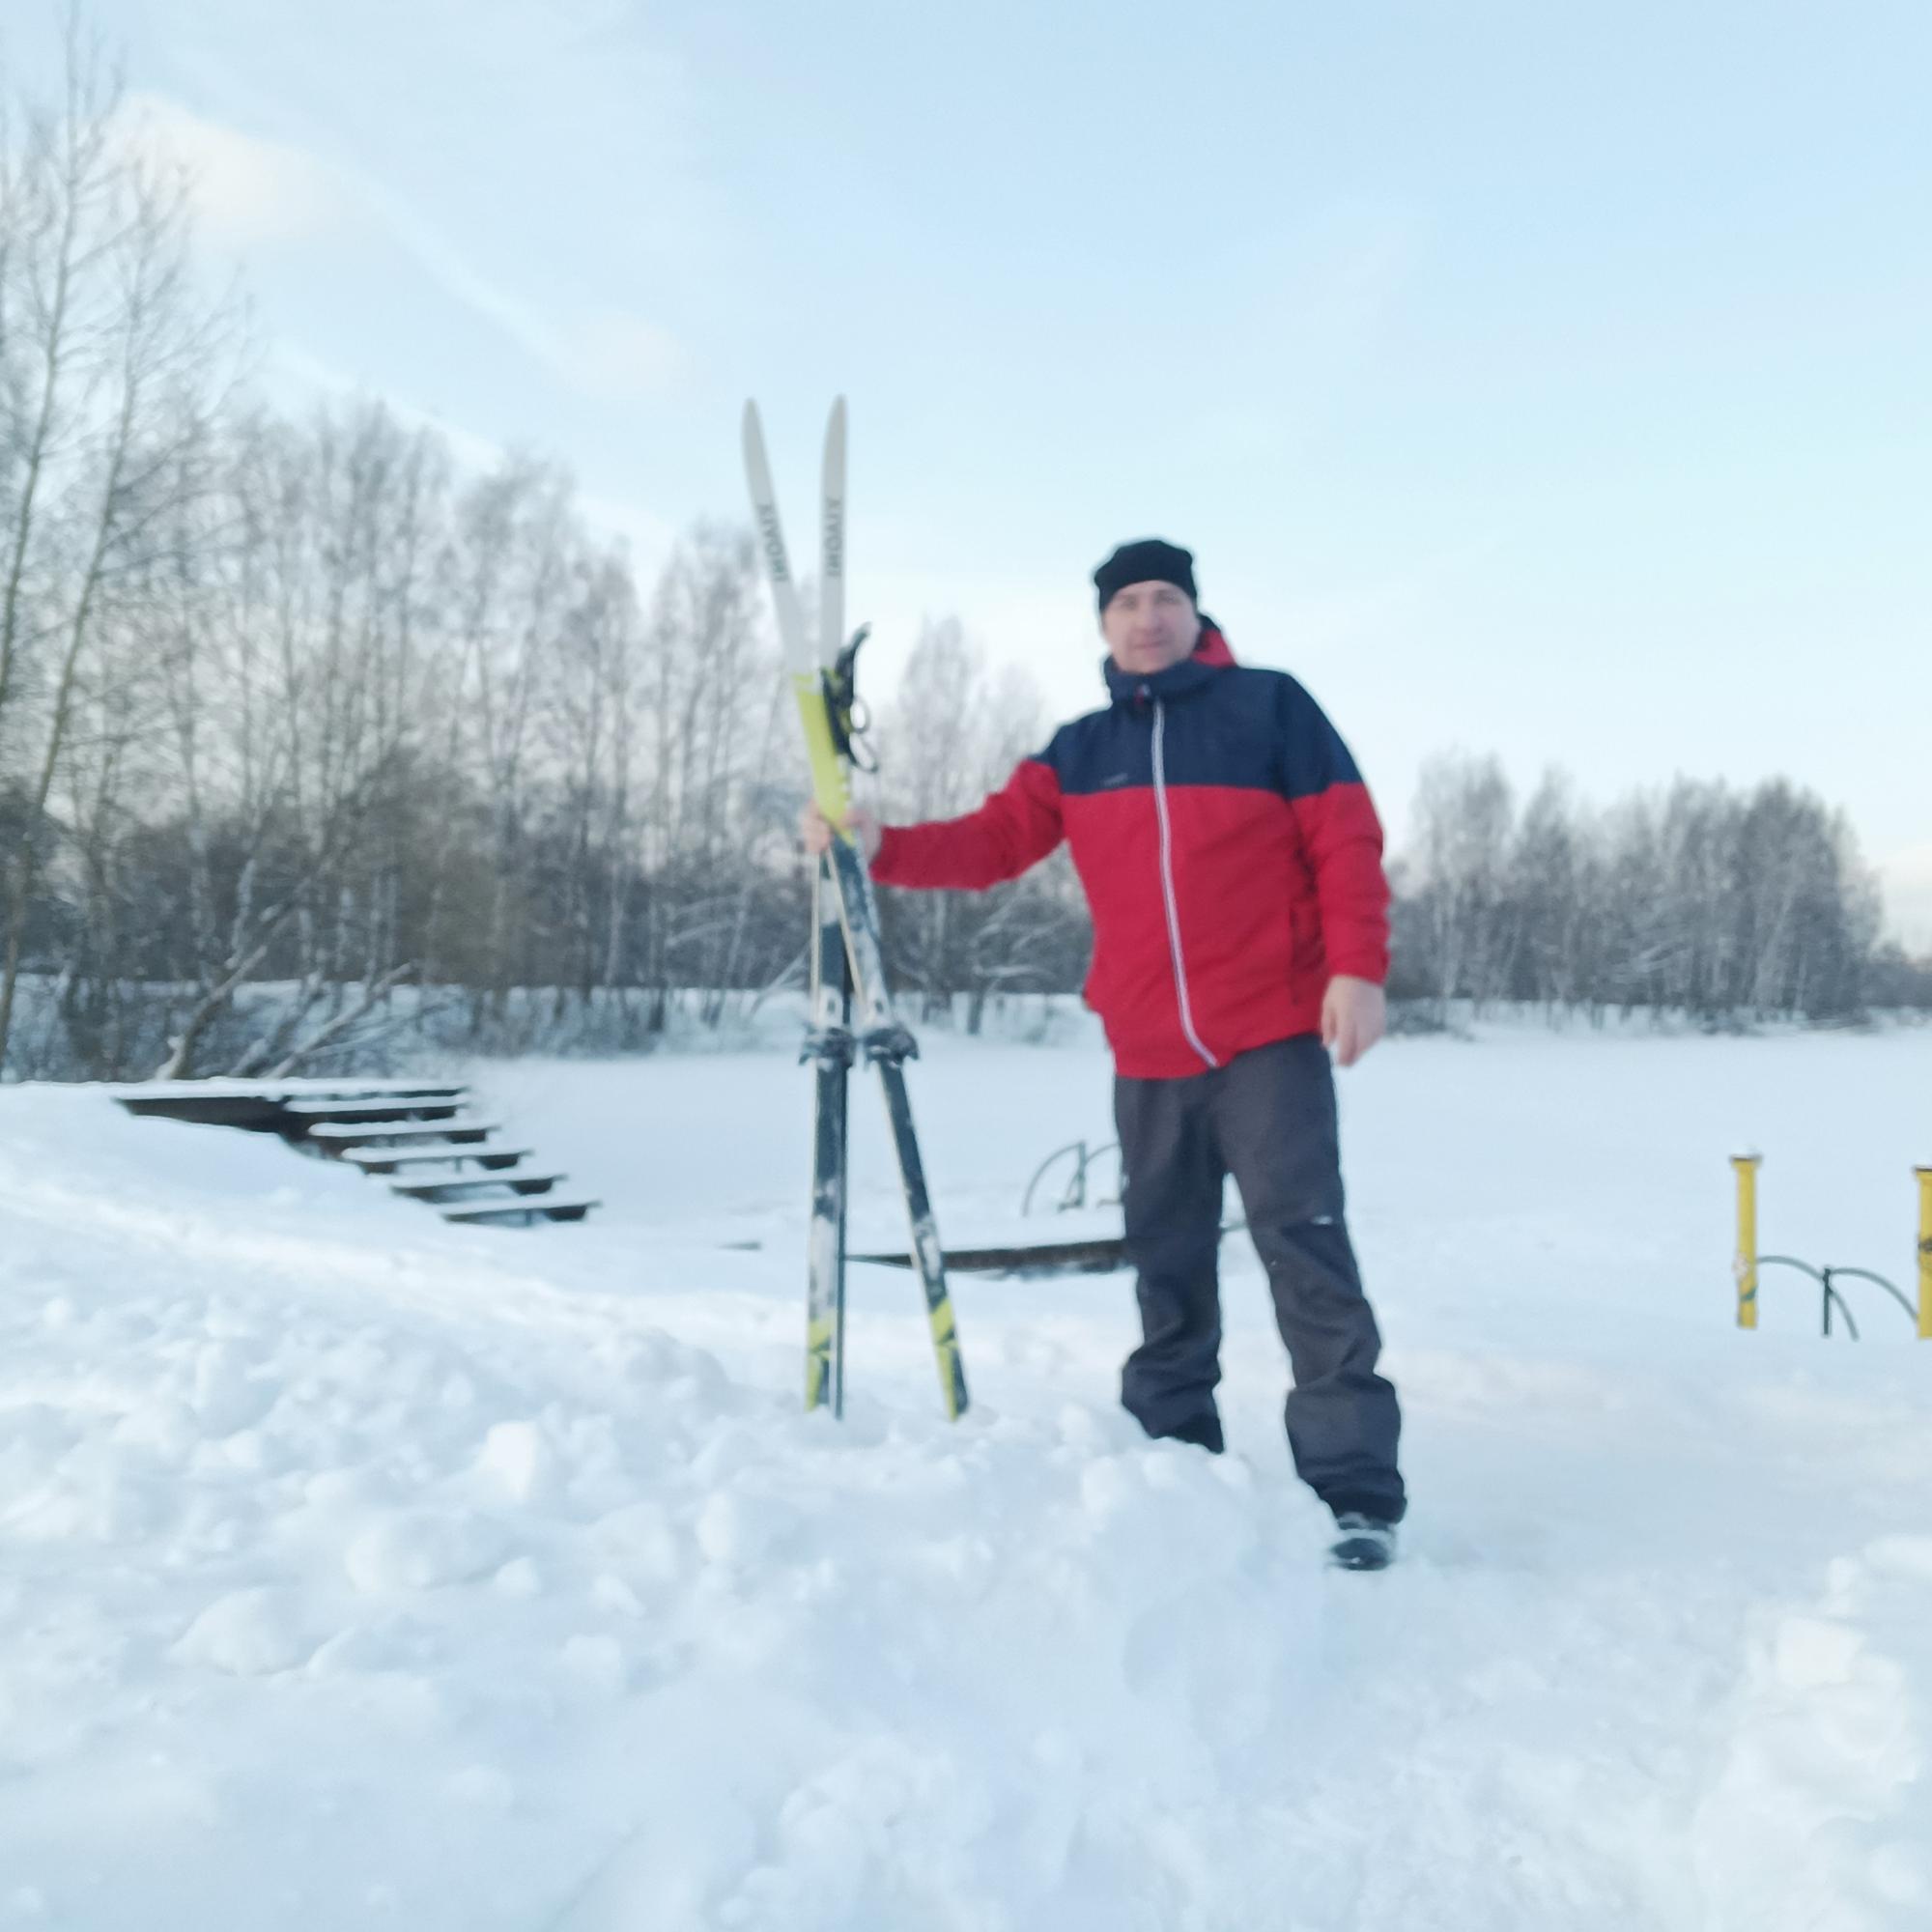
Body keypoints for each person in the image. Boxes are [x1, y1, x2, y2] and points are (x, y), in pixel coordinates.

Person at [803, 538, 1406, 1570]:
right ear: (1102, 625)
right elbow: (992, 843)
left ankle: (1352, 1491)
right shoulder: (1079, 751)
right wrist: (877, 844)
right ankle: (1174, 1457)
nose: (1146, 617)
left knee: (1304, 1253)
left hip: (1267, 1033)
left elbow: (1343, 839)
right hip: (1147, 1046)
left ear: (1194, 613)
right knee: (1164, 1260)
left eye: (1164, 597)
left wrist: (1355, 968)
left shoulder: (1270, 709)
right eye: (1125, 602)